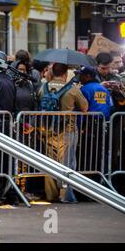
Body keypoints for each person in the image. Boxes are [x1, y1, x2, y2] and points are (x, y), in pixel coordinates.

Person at [38, 63, 88, 203]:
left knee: (49, 162)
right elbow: (84, 107)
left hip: (47, 130)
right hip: (67, 131)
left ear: (52, 72)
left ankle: (51, 195)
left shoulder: (44, 87)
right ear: (66, 74)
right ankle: (66, 195)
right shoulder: (72, 89)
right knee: (67, 163)